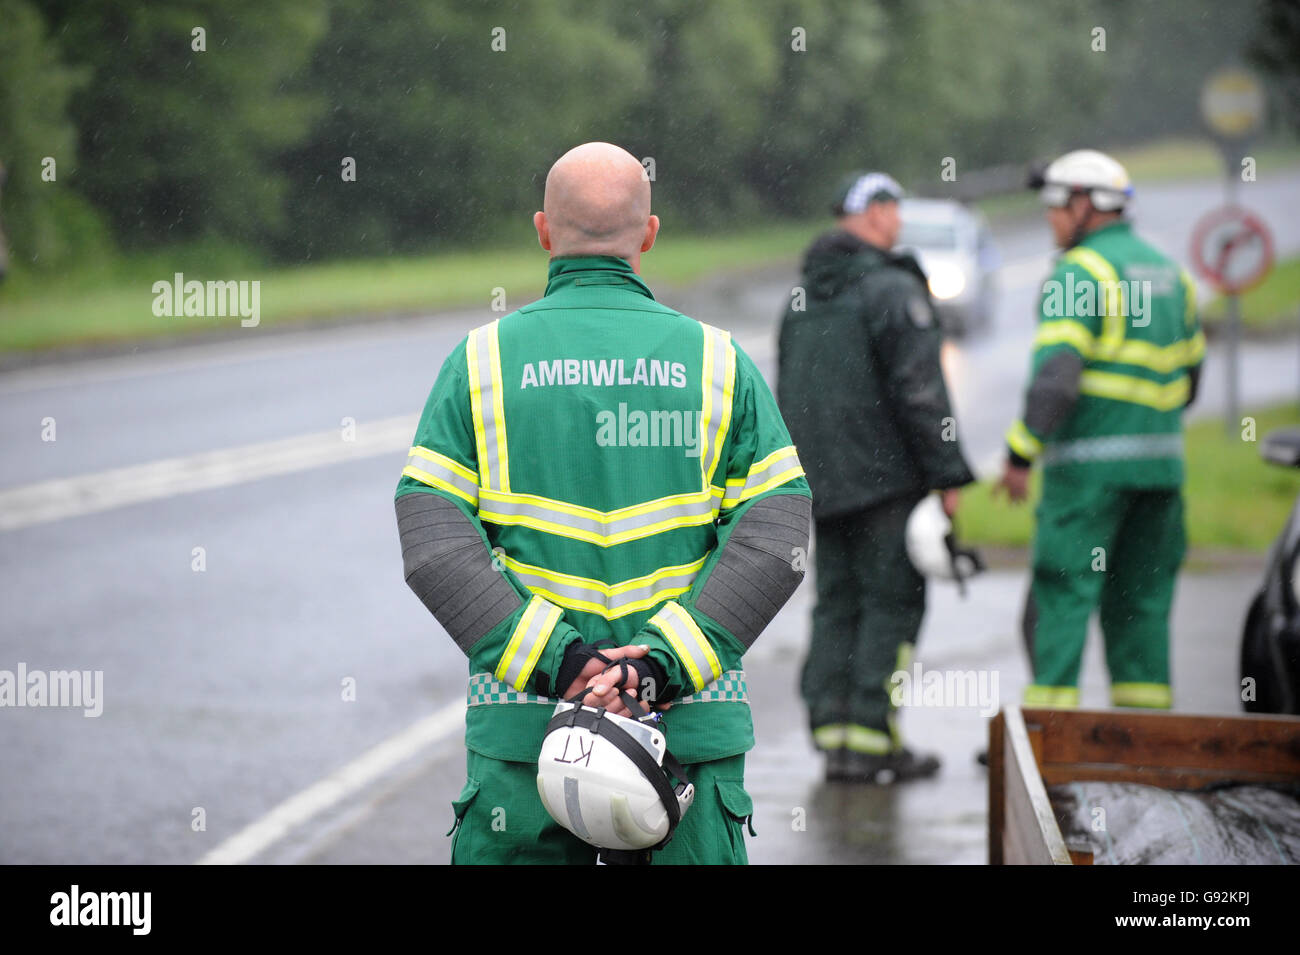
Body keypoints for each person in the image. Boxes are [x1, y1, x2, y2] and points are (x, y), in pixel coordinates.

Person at [395, 142, 812, 864]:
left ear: (544, 232)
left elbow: (433, 539)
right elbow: (777, 535)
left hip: (526, 749)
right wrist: (655, 666)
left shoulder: (480, 362)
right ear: (648, 235)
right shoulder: (720, 362)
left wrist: (563, 664)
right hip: (684, 753)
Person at [777, 171, 976, 783]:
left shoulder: (802, 298)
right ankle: (872, 741)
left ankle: (834, 736)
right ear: (874, 215)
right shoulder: (892, 290)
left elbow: (789, 391)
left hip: (824, 488)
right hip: (890, 486)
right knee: (890, 605)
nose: (898, 220)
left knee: (837, 604)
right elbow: (921, 390)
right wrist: (949, 476)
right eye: (891, 207)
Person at [998, 149, 1204, 710]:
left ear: (1086, 204)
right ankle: (1143, 752)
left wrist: (1020, 454)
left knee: (1064, 594)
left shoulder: (1080, 273)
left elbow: (1058, 379)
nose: (1050, 218)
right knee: (1143, 603)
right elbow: (1191, 381)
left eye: (1056, 205)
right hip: (1161, 472)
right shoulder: (1170, 274)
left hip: (1088, 476)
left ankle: (1047, 741)